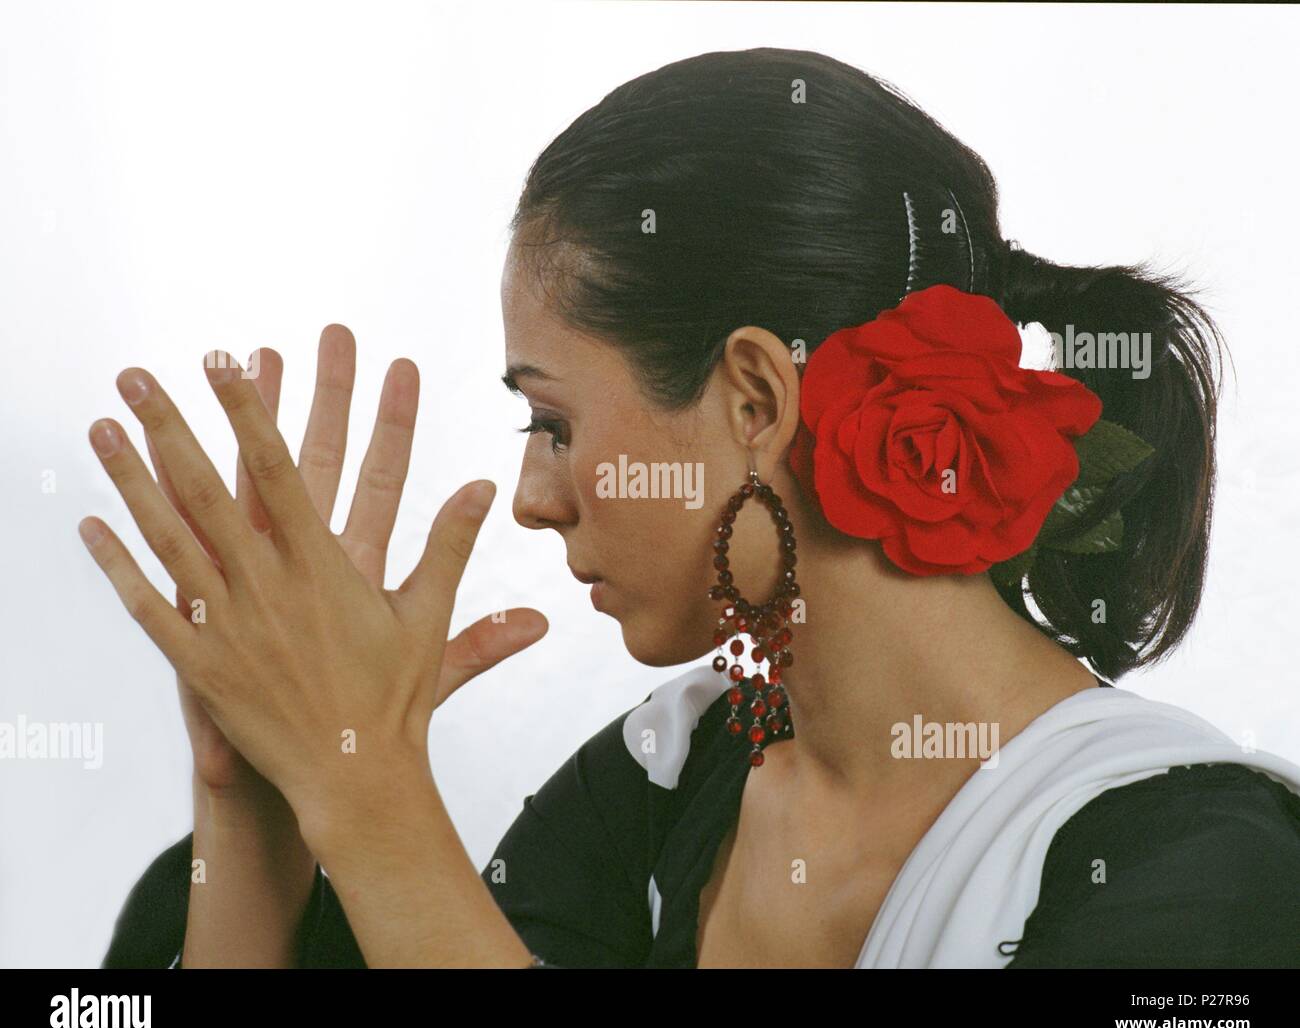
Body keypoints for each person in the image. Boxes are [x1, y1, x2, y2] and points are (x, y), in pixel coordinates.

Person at [92, 48, 1300, 969]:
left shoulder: (1204, 871)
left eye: (552, 422)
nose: (531, 498)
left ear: (756, 397)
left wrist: (366, 795)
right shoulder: (670, 777)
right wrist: (259, 797)